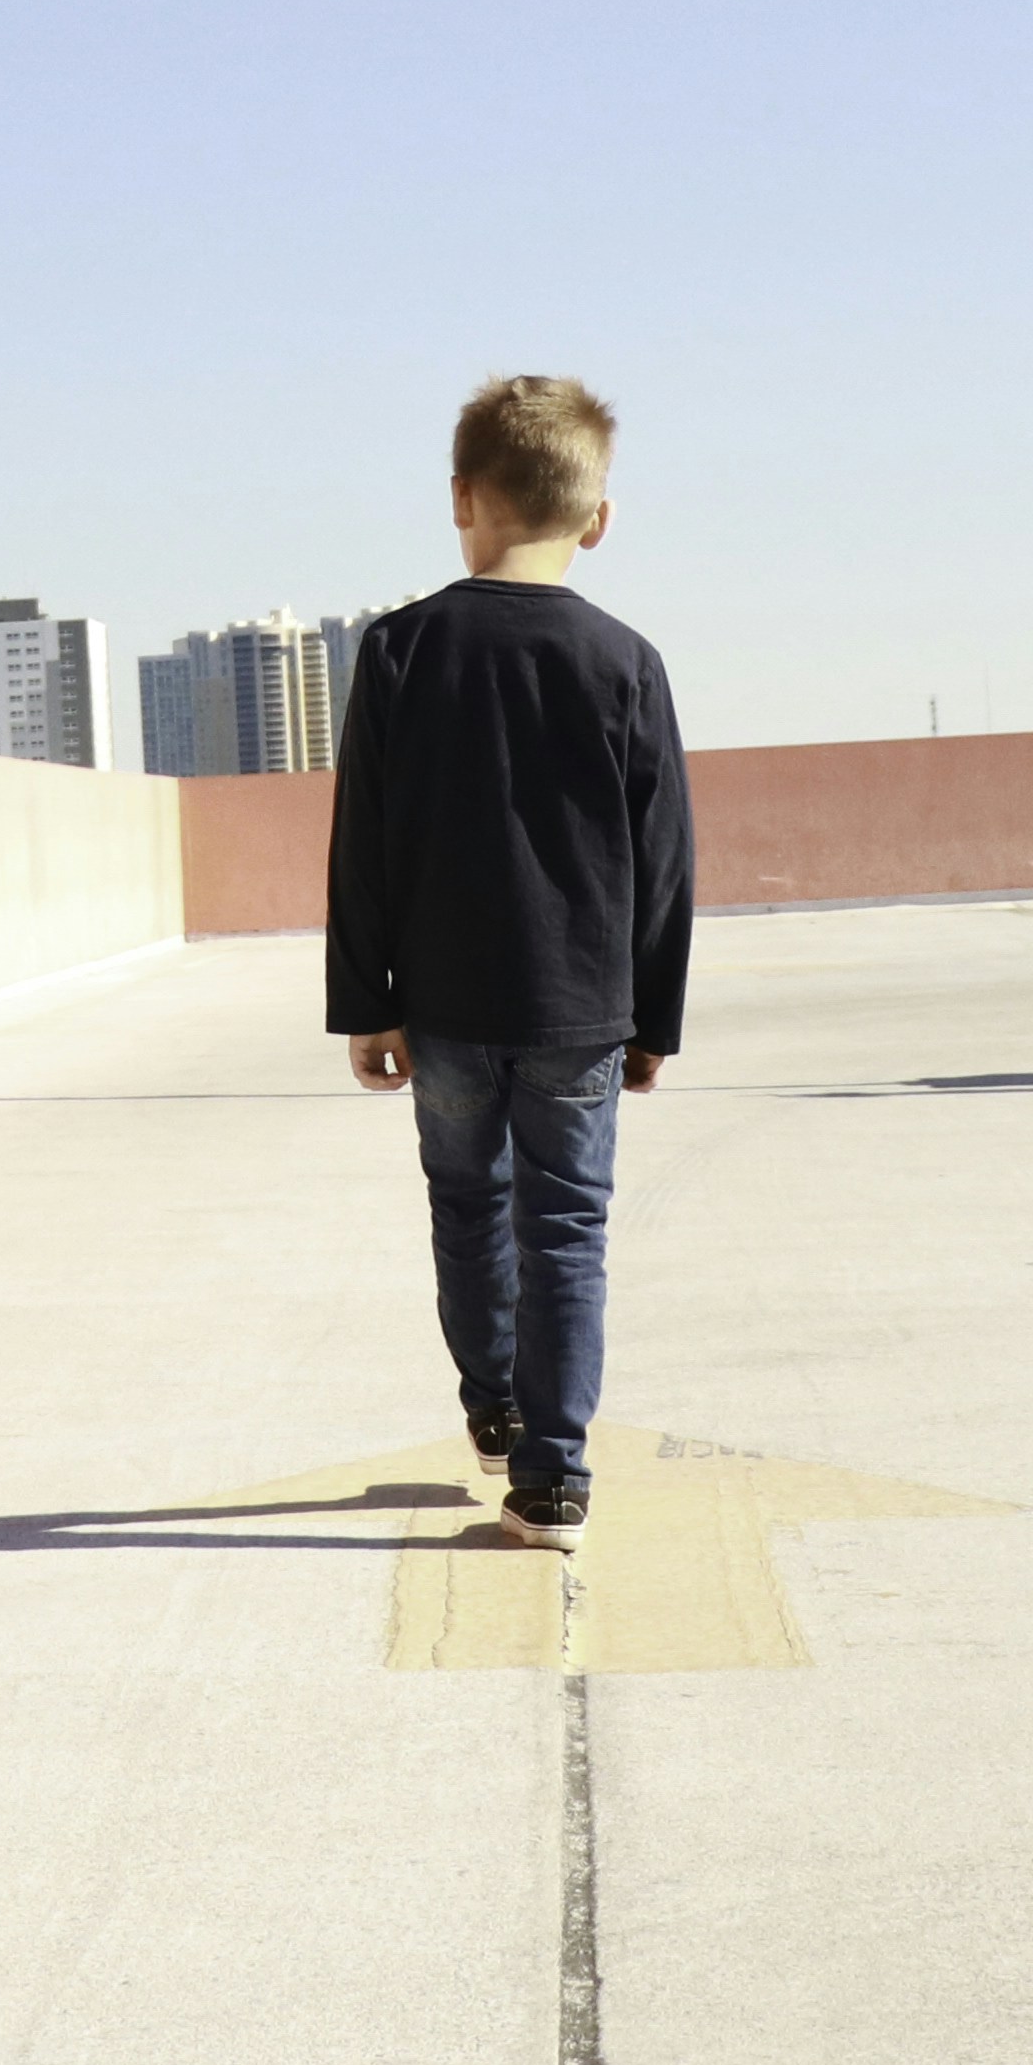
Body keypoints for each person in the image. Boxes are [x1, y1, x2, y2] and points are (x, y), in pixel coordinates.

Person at [328, 376, 696, 1549]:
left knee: (466, 1203)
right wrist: (654, 1018)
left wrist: (364, 1001)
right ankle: (553, 1475)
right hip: (580, 1008)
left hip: (440, 1006)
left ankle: (491, 1407)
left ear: (460, 499)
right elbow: (665, 858)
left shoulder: (399, 649)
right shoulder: (626, 661)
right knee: (567, 1228)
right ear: (598, 518)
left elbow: (364, 840)